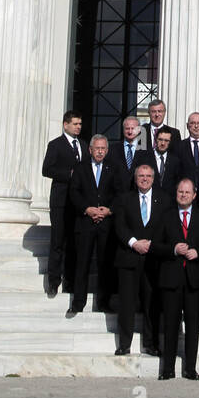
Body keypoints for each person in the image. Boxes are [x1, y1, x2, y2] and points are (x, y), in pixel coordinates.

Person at [154, 178, 199, 380]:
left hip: (194, 279)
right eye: (180, 192)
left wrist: (198, 252)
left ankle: (190, 368)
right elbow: (155, 245)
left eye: (187, 192)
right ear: (176, 193)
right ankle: (168, 369)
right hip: (171, 278)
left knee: (192, 327)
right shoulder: (166, 216)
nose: (183, 195)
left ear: (194, 195)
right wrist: (172, 249)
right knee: (170, 326)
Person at [112, 163, 169, 355]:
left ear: (154, 178)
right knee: (127, 303)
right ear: (135, 179)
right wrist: (134, 243)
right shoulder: (124, 199)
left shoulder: (164, 199)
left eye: (148, 176)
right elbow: (119, 225)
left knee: (152, 303)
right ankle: (124, 344)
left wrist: (151, 244)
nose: (145, 179)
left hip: (153, 259)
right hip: (129, 257)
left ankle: (151, 344)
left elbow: (166, 226)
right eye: (141, 176)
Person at [68, 134, 119, 314]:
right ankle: (78, 301)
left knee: (105, 265)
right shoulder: (80, 168)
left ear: (107, 150)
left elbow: (118, 194)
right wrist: (87, 209)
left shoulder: (112, 169)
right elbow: (74, 193)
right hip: (85, 223)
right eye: (97, 148)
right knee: (82, 263)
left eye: (103, 148)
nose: (100, 151)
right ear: (90, 150)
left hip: (106, 224)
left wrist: (108, 210)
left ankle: (103, 302)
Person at [41, 110, 83, 297]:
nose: (78, 127)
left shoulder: (83, 145)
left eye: (80, 124)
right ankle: (53, 281)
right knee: (58, 241)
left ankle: (70, 281)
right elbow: (47, 169)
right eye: (75, 124)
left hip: (77, 202)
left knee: (74, 243)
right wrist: (69, 174)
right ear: (65, 125)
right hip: (60, 201)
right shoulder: (56, 145)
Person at [107, 115, 147, 183]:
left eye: (133, 128)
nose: (130, 132)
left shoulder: (145, 150)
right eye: (127, 128)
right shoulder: (112, 149)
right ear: (123, 129)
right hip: (117, 191)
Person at [149, 126, 182, 197]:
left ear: (170, 142)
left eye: (166, 140)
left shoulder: (175, 161)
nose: (163, 143)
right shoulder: (146, 158)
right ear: (155, 140)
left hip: (169, 202)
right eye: (160, 139)